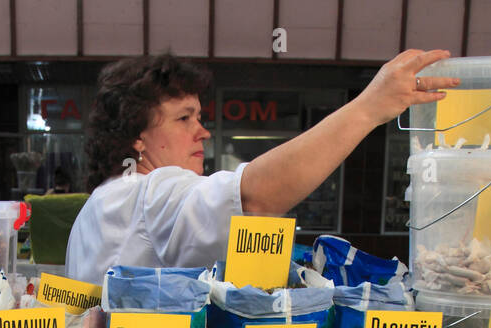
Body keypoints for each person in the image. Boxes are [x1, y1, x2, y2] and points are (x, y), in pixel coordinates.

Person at [65, 51, 459, 285]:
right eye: (184, 119)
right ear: (137, 136)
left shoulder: (99, 203)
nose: (202, 132)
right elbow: (252, 197)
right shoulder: (151, 193)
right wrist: (369, 107)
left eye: (199, 117)